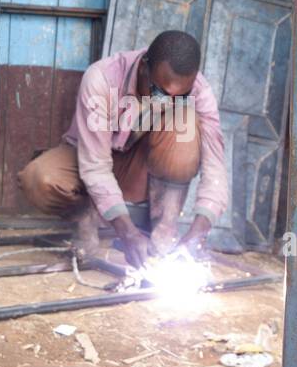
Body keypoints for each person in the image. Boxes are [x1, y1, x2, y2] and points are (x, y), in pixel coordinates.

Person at [17, 29, 228, 268]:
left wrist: (198, 233)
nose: (168, 101)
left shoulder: (199, 90)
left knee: (185, 120)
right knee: (39, 179)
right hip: (89, 158)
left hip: (138, 171)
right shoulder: (102, 77)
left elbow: (215, 168)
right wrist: (126, 232)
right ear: (144, 67)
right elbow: (95, 166)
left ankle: (164, 230)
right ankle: (88, 219)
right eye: (160, 92)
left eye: (180, 95)